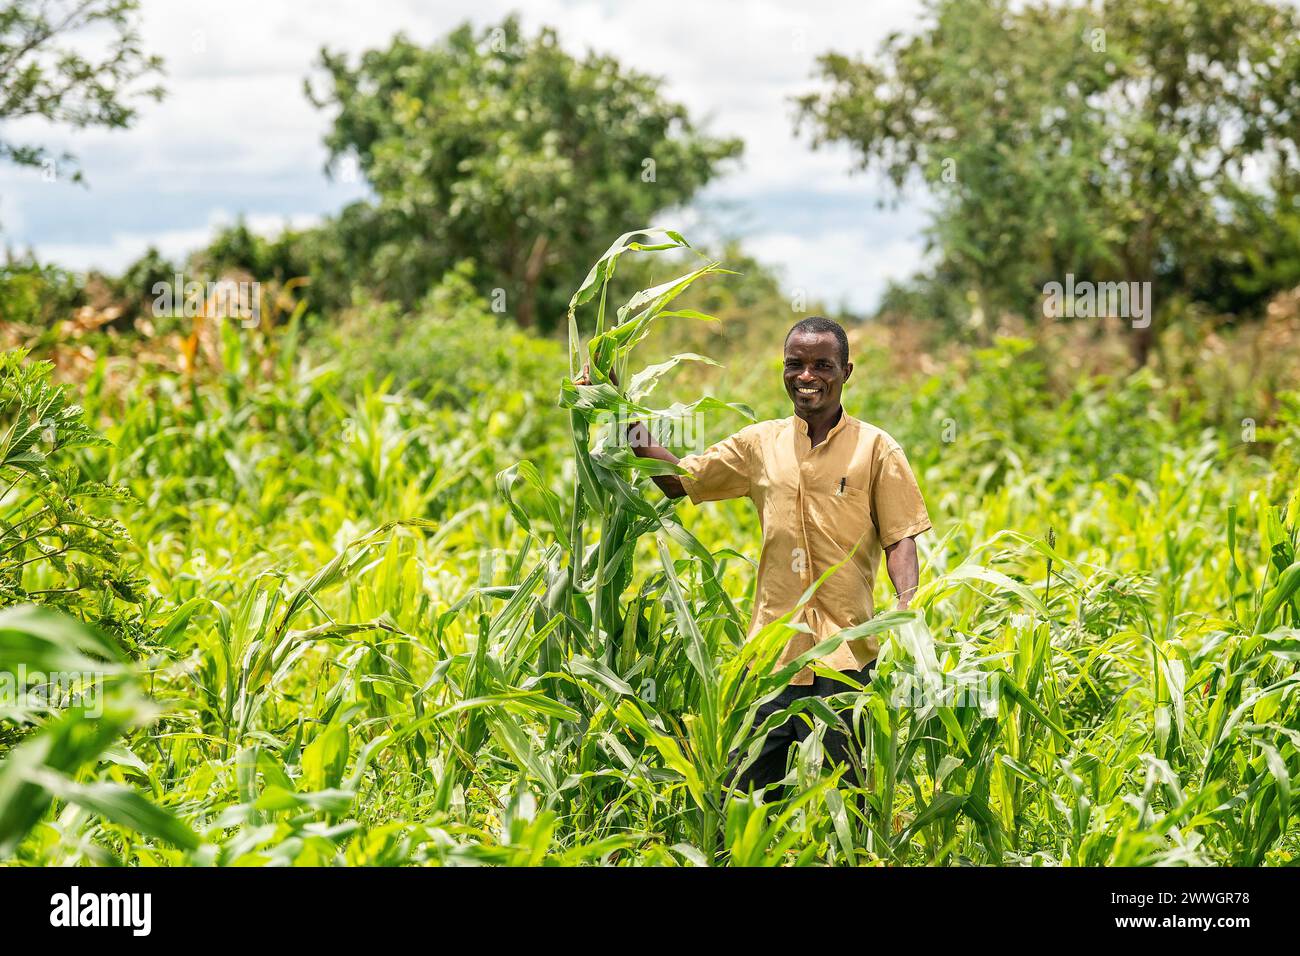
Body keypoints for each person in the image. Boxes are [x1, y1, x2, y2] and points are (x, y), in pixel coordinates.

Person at [581, 315, 931, 799]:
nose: (807, 376)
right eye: (795, 364)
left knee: (846, 802)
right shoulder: (758, 444)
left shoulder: (876, 448)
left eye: (822, 365)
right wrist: (617, 410)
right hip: (771, 657)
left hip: (847, 658)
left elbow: (901, 538)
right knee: (743, 798)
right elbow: (679, 480)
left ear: (846, 371)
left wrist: (905, 609)